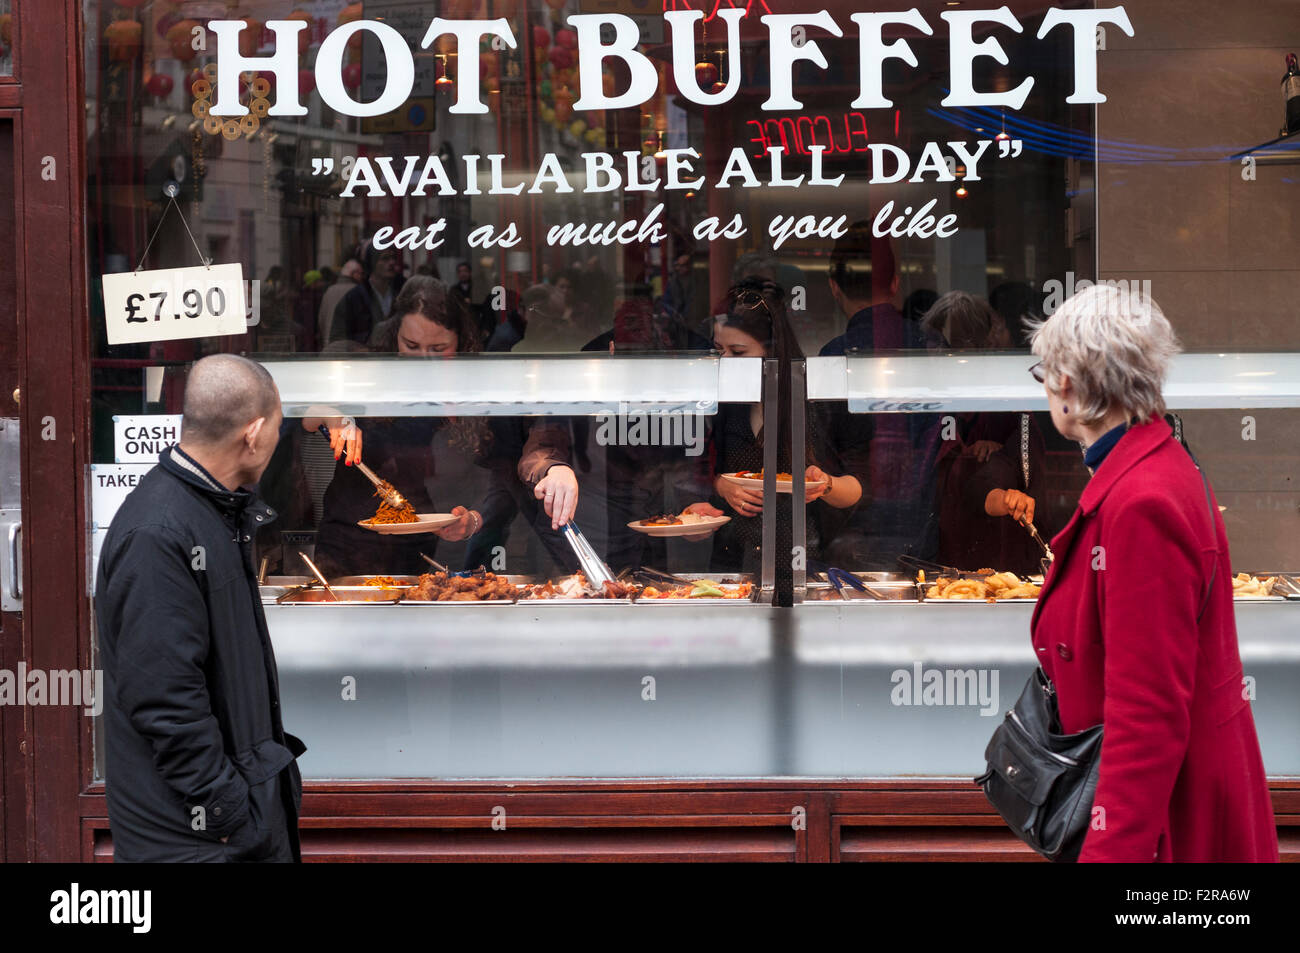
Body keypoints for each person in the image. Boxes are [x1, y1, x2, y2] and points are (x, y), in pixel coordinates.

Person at [1026, 283, 1277, 862]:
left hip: (1168, 822)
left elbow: (1147, 714)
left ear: (1067, 383)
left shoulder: (1141, 501)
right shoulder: (1152, 468)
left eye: (1046, 374)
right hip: (1178, 800)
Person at [95, 354, 306, 862]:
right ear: (253, 433)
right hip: (194, 843)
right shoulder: (160, 532)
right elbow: (165, 699)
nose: (278, 442)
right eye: (278, 428)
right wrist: (229, 812)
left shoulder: (210, 508)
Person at [310, 277, 578, 576]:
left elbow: (504, 475)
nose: (424, 360)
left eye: (438, 348)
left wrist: (474, 519)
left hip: (428, 552)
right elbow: (306, 408)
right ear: (393, 335)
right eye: (411, 346)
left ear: (461, 343)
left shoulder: (475, 394)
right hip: (349, 548)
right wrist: (333, 414)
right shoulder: (367, 372)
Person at [709, 278, 863, 578]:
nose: (725, 360)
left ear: (771, 350)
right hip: (733, 564)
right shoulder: (725, 402)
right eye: (719, 350)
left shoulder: (817, 402)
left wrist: (825, 484)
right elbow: (700, 472)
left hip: (806, 563)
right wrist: (720, 485)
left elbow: (858, 488)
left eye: (738, 352)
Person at [330, 242, 404, 346]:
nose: (392, 262)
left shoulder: (403, 293)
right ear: (372, 263)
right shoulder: (354, 298)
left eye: (393, 258)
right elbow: (338, 340)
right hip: (365, 360)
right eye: (385, 258)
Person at [317, 257, 361, 347]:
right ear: (354, 274)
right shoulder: (357, 291)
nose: (362, 276)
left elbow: (321, 319)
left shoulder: (330, 290)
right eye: (360, 273)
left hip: (330, 343)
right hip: (351, 346)